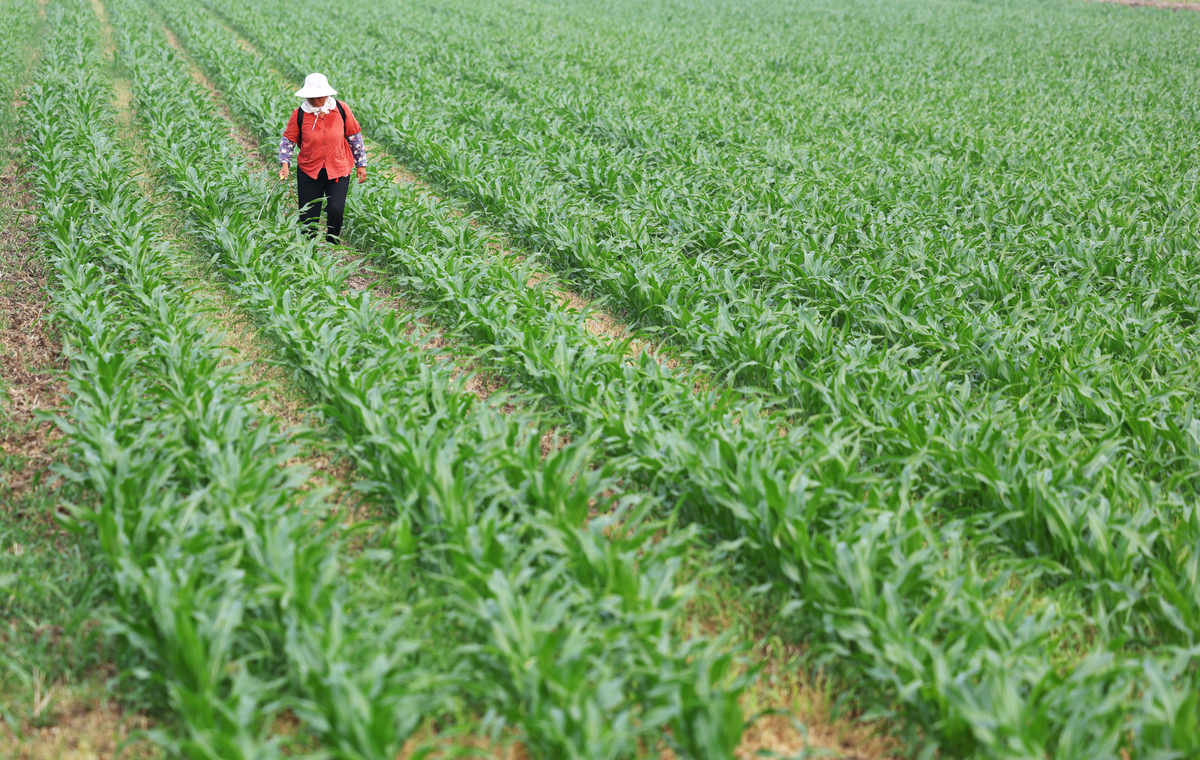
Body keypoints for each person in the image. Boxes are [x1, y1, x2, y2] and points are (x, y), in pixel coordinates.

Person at [277, 73, 368, 243]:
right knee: (308, 215)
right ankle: (308, 247)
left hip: (338, 168)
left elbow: (354, 136)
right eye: (312, 96)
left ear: (327, 94)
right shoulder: (299, 114)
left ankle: (332, 241)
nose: (316, 99)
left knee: (336, 208)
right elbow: (288, 140)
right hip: (309, 170)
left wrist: (361, 164)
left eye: (320, 96)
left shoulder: (341, 109)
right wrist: (284, 164)